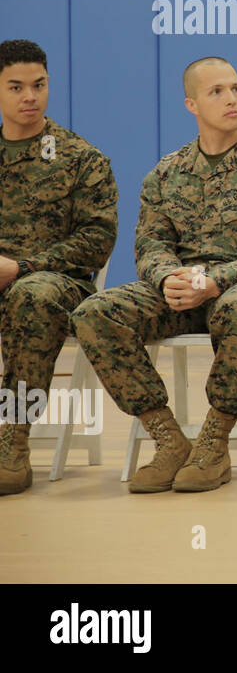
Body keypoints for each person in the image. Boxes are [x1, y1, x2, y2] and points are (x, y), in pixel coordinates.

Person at [72, 56, 237, 493]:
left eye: (235, 88)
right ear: (191, 104)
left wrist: (216, 281)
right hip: (181, 293)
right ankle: (167, 438)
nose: (231, 98)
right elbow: (150, 244)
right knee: (94, 312)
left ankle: (214, 442)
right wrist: (168, 280)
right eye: (216, 91)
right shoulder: (166, 173)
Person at [0, 40, 117, 495]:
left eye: (39, 85)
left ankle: (14, 438)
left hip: (56, 284)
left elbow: (97, 241)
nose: (30, 96)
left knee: (34, 296)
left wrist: (22, 266)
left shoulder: (79, 159)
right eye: (16, 87)